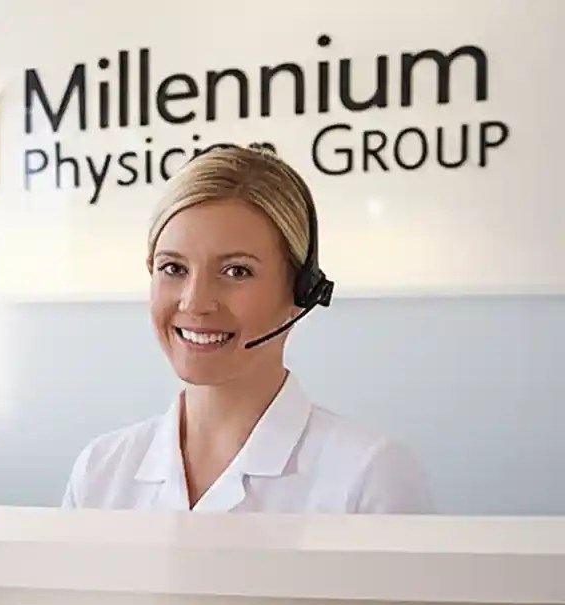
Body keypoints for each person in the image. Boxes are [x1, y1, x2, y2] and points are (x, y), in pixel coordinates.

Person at [61, 144, 433, 513]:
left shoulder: (369, 477)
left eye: (236, 271)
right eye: (173, 268)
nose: (195, 302)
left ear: (301, 291)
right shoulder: (99, 472)